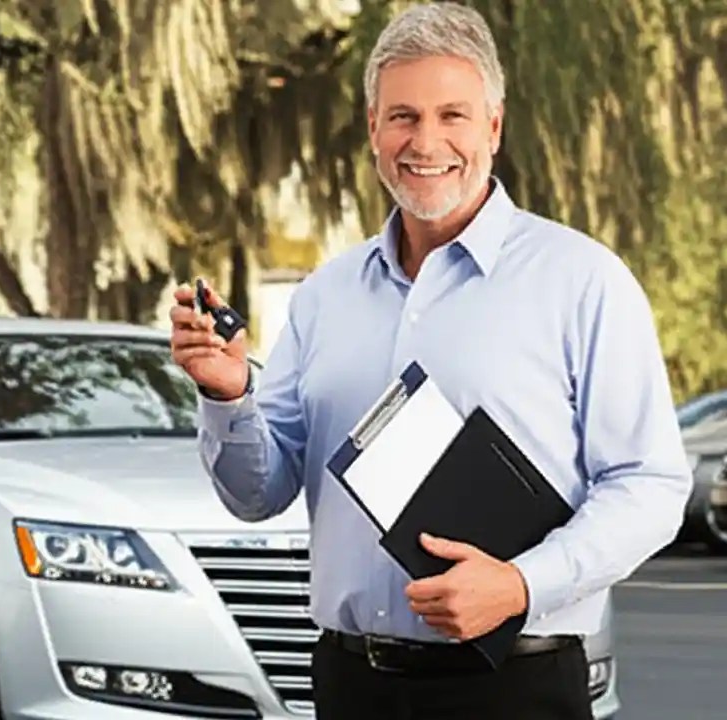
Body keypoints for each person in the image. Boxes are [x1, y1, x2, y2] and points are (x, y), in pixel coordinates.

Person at [169, 2, 692, 718]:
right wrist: (227, 396)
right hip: (353, 685)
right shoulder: (324, 296)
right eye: (404, 117)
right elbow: (257, 494)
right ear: (374, 131)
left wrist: (519, 584)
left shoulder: (581, 281)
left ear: (494, 128)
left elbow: (650, 484)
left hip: (514, 686)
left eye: (454, 115)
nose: (427, 141)